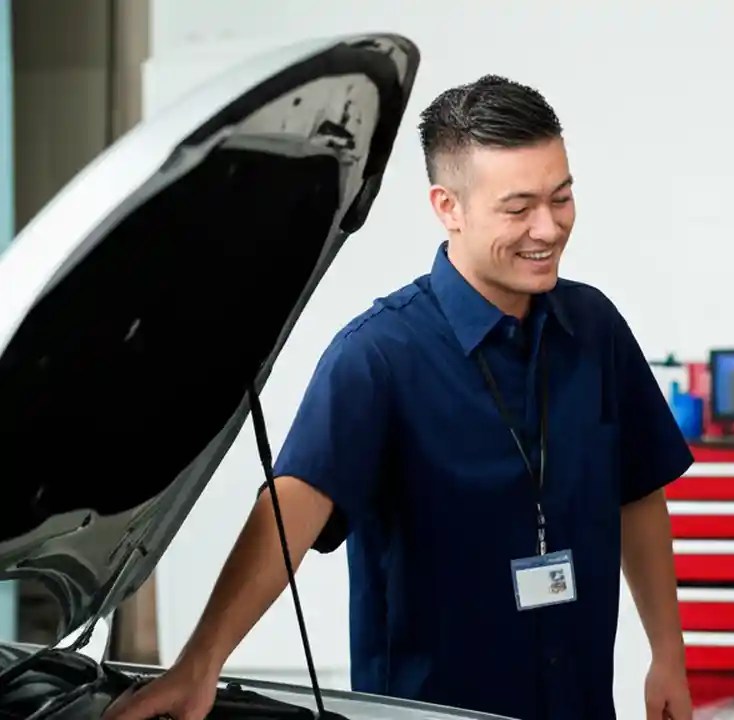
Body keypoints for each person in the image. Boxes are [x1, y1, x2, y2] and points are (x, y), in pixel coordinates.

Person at [104, 75, 695, 720]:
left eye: (562, 197)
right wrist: (201, 662)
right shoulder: (379, 355)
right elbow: (291, 507)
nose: (548, 228)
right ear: (449, 206)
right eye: (518, 206)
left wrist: (668, 654)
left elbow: (637, 494)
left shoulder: (597, 329)